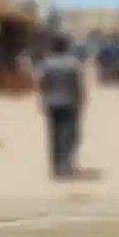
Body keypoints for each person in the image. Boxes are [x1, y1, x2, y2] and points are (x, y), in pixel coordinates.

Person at [38, 33, 85, 178]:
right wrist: (81, 101)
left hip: (52, 102)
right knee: (68, 133)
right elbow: (78, 85)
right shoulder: (73, 63)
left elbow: (42, 84)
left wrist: (43, 99)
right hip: (69, 102)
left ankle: (55, 165)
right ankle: (65, 164)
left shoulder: (46, 63)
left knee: (54, 134)